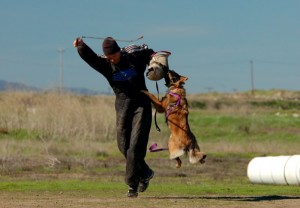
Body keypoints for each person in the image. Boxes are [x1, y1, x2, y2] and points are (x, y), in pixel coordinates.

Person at [73, 37, 154, 197]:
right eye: (108, 57)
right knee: (123, 144)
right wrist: (81, 47)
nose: (111, 59)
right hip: (123, 104)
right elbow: (91, 58)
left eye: (113, 56)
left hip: (141, 103)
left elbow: (150, 54)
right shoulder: (106, 65)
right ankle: (145, 172)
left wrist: (156, 60)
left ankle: (132, 185)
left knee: (135, 145)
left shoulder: (134, 58)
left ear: (118, 51)